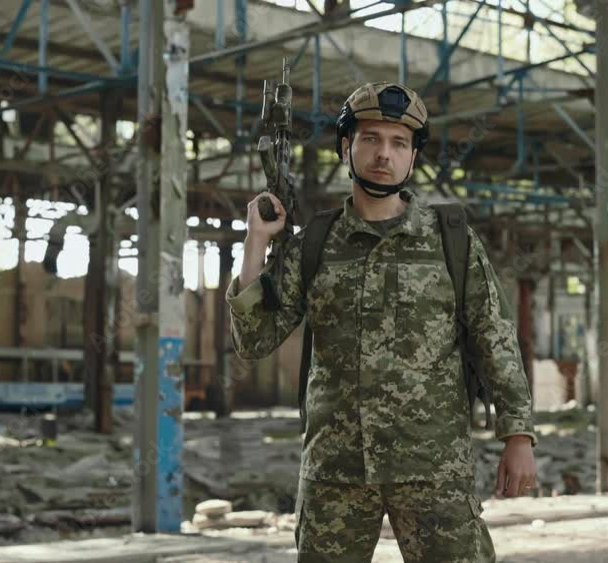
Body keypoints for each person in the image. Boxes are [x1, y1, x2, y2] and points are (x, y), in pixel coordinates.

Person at [226, 81, 538, 563]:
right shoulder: (316, 242)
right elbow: (253, 339)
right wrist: (255, 244)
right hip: (336, 471)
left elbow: (493, 338)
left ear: (413, 157)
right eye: (370, 139)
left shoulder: (450, 240)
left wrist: (517, 436)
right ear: (347, 147)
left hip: (433, 466)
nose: (383, 154)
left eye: (399, 143)